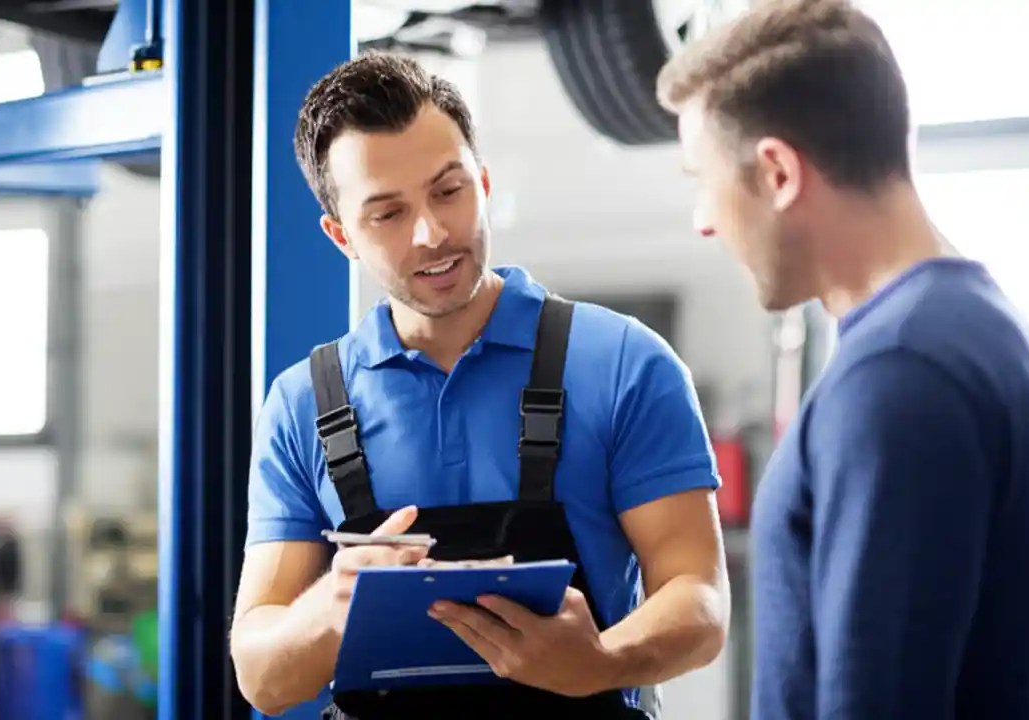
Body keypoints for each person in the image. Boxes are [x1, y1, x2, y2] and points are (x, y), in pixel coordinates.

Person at [229, 52, 730, 719]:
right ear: (340, 234)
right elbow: (262, 678)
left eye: (448, 190)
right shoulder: (305, 406)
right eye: (387, 213)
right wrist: (332, 605)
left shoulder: (624, 363)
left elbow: (699, 596)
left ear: (483, 182)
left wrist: (600, 663)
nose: (433, 233)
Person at [655, 1, 1029, 719]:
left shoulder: (898, 375)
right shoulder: (990, 333)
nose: (703, 218)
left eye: (702, 178)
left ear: (777, 173)